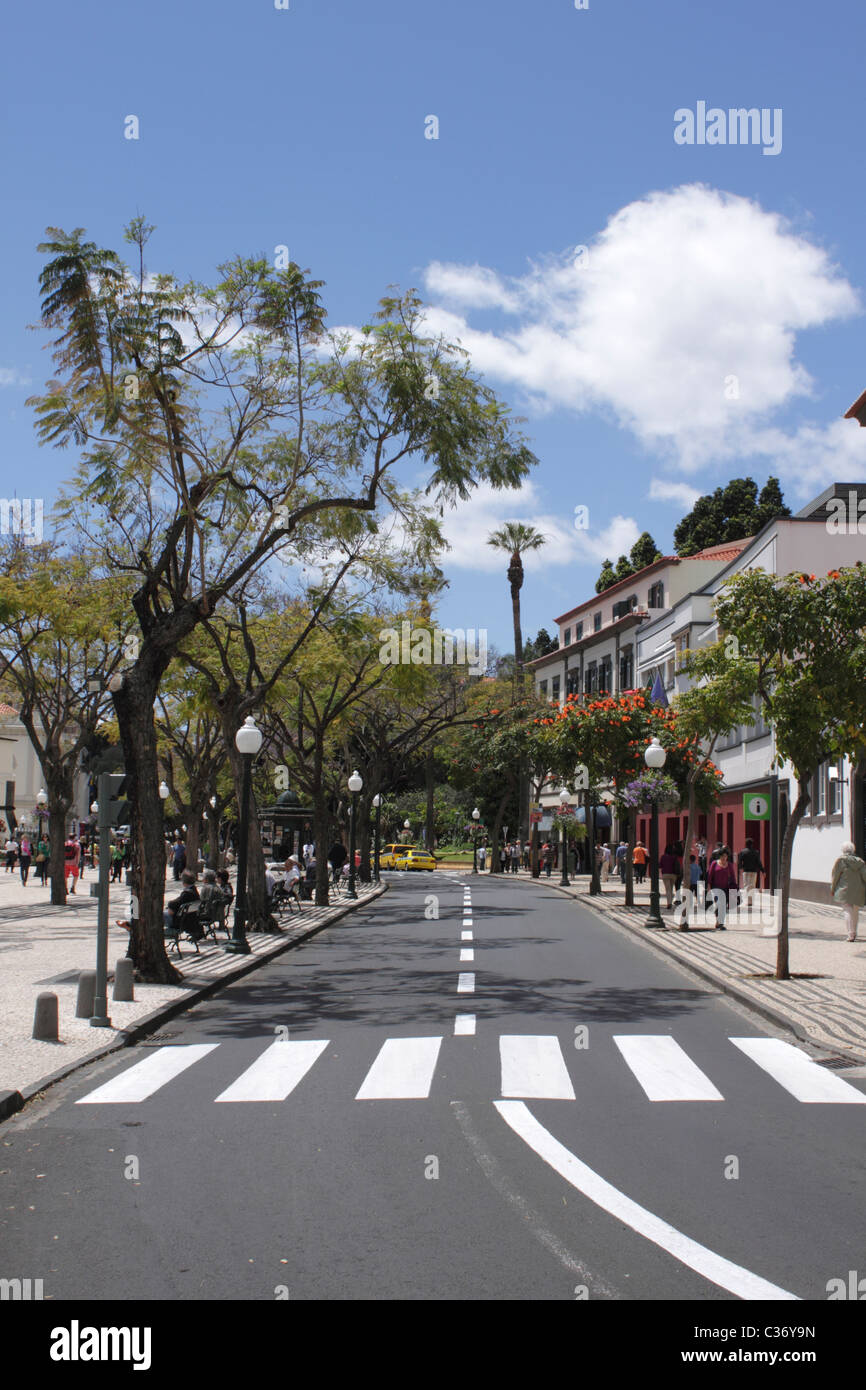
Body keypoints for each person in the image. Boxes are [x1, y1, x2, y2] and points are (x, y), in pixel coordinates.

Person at [830, 843, 866, 942]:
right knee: (855, 911)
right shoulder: (860, 862)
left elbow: (835, 876)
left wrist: (832, 889)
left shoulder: (841, 861)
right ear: (853, 850)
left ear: (843, 850)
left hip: (844, 890)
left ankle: (850, 934)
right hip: (858, 890)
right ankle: (855, 933)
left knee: (847, 910)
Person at [706, 849, 738, 929]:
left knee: (723, 905)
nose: (724, 858)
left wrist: (734, 889)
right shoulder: (714, 863)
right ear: (719, 856)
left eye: (725, 856)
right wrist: (709, 886)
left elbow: (733, 877)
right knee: (718, 904)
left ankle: (721, 923)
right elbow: (709, 876)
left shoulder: (729, 865)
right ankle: (718, 920)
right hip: (715, 888)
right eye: (722, 856)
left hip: (726, 888)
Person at [163, 870, 200, 937]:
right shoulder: (194, 891)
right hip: (188, 918)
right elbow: (178, 901)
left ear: (184, 882)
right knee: (167, 911)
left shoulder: (187, 893)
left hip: (180, 921)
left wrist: (170, 907)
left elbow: (174, 903)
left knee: (160, 914)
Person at [737, 838, 765, 911]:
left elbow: (740, 862)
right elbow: (759, 862)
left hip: (746, 871)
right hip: (754, 871)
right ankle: (751, 901)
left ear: (746, 844)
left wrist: (740, 868)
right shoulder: (756, 852)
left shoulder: (742, 852)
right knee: (752, 886)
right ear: (752, 844)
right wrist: (763, 871)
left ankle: (748, 901)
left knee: (746, 886)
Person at [659, 844, 680, 910]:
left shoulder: (663, 856)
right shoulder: (674, 857)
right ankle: (670, 901)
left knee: (668, 889)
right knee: (671, 888)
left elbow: (660, 865)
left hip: (665, 874)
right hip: (673, 874)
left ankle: (669, 903)